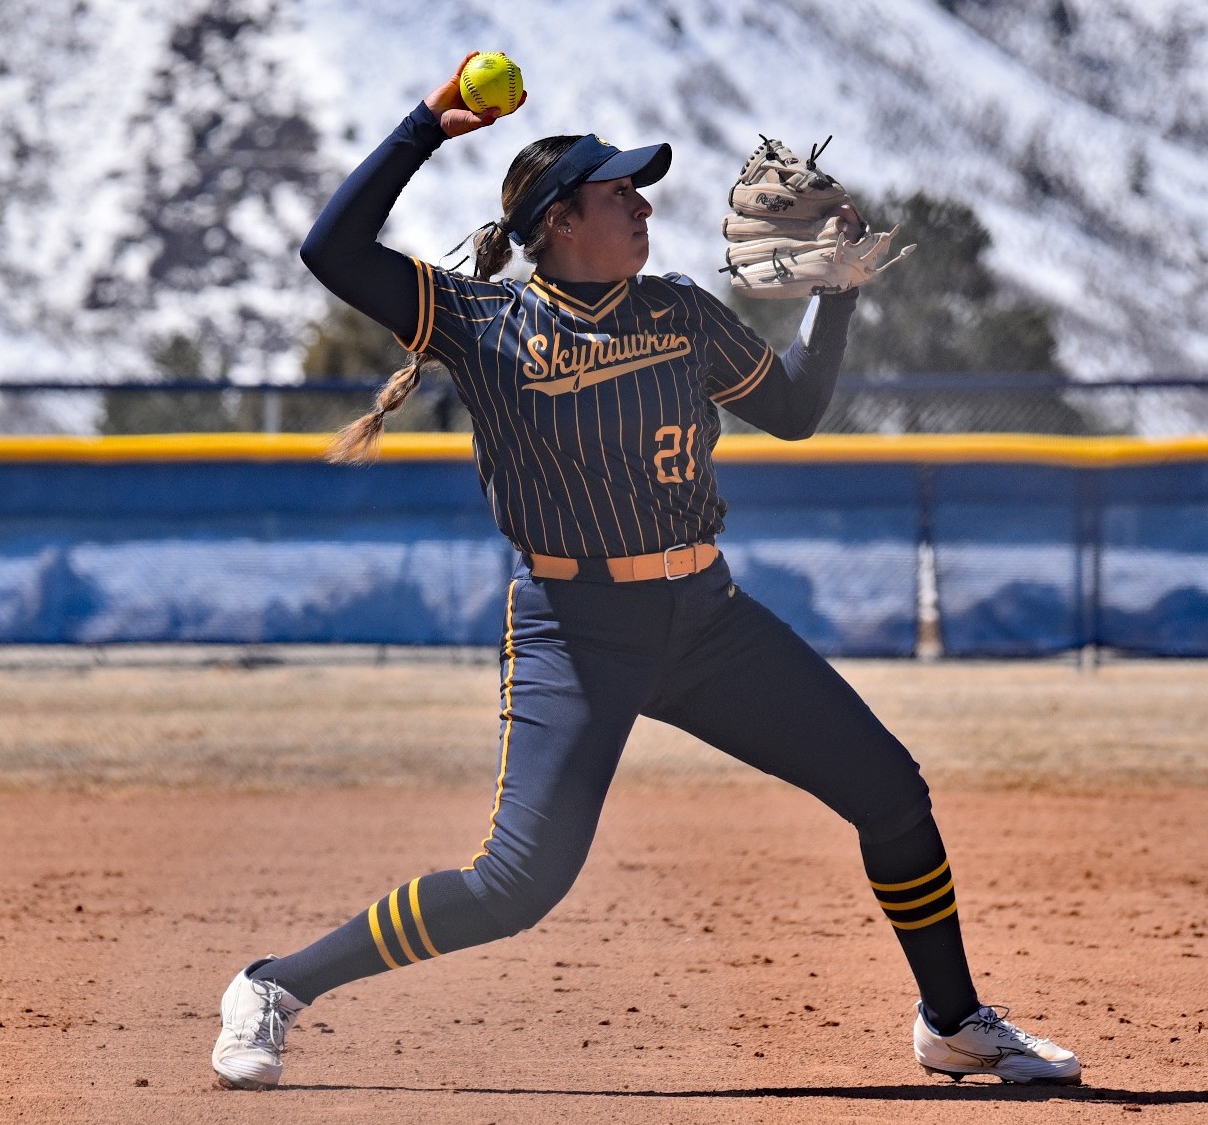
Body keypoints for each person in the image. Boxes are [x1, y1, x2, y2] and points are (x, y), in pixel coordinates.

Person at [209, 56, 1082, 1091]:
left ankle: (951, 1022)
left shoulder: (679, 311)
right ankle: (274, 984)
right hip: (575, 631)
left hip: (706, 620)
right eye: (618, 190)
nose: (639, 202)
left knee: (891, 794)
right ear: (559, 219)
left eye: (638, 186)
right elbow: (330, 248)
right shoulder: (483, 325)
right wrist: (421, 130)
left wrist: (831, 296)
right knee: (513, 886)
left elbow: (795, 411)